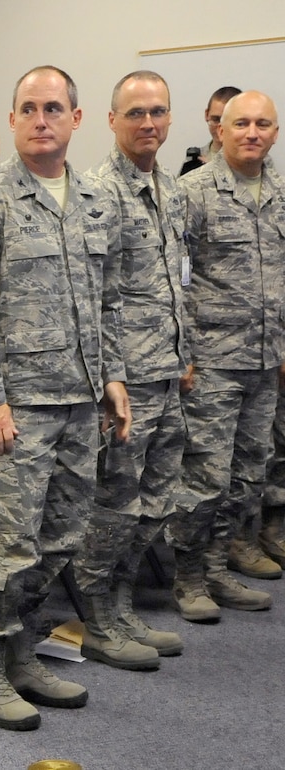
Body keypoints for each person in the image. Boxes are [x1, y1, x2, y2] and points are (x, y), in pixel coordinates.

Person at [0, 66, 128, 731]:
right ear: (13, 121)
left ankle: (20, 648)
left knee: (65, 535)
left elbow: (109, 301)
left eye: (54, 107)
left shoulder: (99, 200)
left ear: (77, 118)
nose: (41, 118)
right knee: (9, 545)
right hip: (16, 409)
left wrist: (114, 376)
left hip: (80, 398)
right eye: (29, 108)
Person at [75, 70, 190, 670]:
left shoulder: (169, 186)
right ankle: (95, 615)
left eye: (159, 112)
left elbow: (176, 281)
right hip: (126, 381)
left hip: (167, 371)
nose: (149, 123)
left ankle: (119, 603)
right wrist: (111, 378)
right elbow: (96, 296)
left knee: (156, 499)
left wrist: (186, 352)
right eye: (137, 113)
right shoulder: (98, 193)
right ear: (112, 119)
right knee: (114, 500)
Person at [167, 90, 285, 622]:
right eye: (241, 124)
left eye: (263, 124)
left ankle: (217, 571)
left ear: (275, 133)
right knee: (205, 478)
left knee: (248, 475)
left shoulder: (283, 189)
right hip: (212, 360)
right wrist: (183, 354)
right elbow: (171, 278)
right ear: (220, 130)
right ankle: (189, 578)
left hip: (266, 360)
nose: (251, 133)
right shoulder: (191, 191)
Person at [197, 85, 242, 166]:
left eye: (227, 121)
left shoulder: (255, 161)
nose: (220, 128)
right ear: (207, 115)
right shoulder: (195, 160)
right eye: (216, 119)